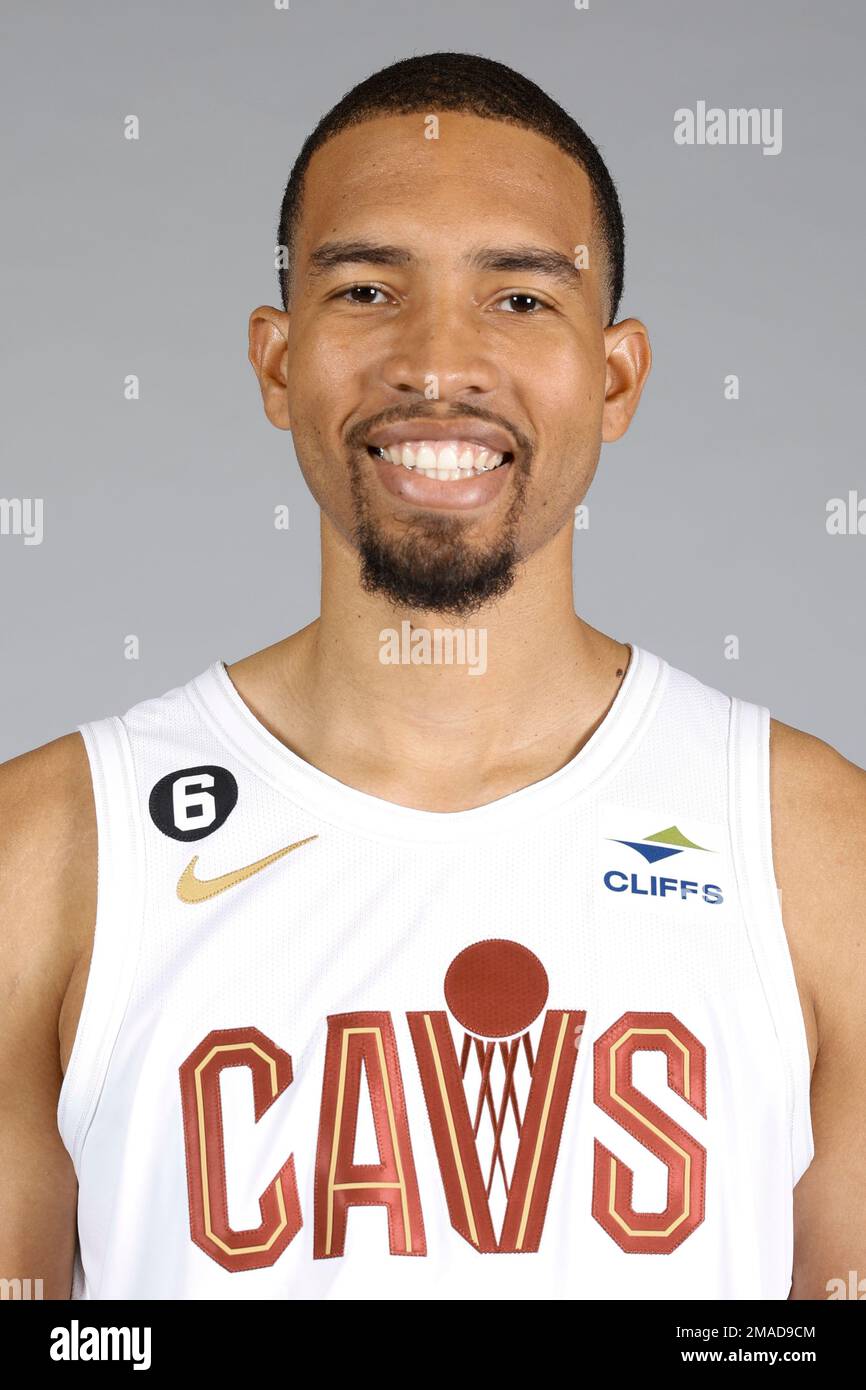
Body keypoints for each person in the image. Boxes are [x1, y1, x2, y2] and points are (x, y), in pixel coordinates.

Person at [1, 51, 864, 1301]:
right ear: (276, 359)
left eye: (520, 300)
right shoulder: (50, 850)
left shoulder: (818, 848)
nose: (436, 363)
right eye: (364, 290)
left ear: (612, 376)